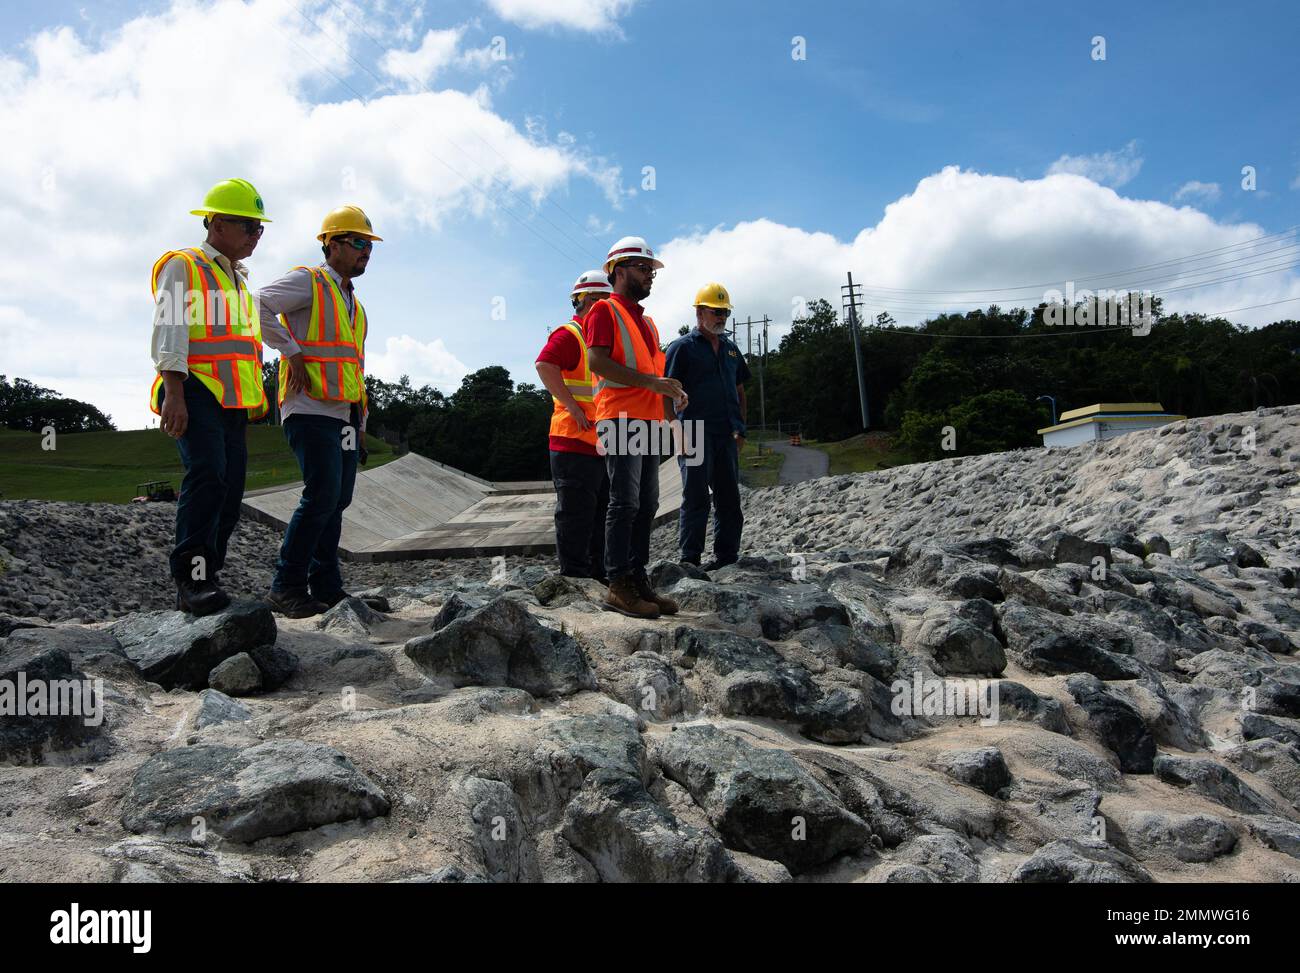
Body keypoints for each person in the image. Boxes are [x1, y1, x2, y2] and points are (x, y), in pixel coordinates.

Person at [150, 178, 271, 615]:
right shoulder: (184, 265)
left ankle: (209, 574)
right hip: (195, 389)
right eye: (248, 226)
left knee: (230, 488)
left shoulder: (237, 280)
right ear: (217, 223)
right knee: (207, 476)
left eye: (260, 229)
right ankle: (191, 580)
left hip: (232, 402)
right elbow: (170, 330)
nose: (256, 235)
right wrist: (174, 392)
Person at [257, 206, 379, 617]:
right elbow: (257, 305)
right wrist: (289, 352)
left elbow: (354, 366)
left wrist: (359, 421)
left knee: (337, 498)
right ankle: (286, 585)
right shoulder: (308, 282)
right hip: (307, 408)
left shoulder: (354, 304)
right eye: (359, 243)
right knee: (321, 494)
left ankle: (326, 586)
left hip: (342, 413)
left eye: (369, 245)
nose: (366, 252)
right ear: (332, 244)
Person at [584, 236, 687, 618]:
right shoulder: (603, 311)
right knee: (624, 502)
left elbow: (652, 373)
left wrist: (671, 393)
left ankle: (637, 578)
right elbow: (597, 362)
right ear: (619, 270)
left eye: (651, 270)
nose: (650, 276)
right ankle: (618, 584)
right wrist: (652, 385)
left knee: (646, 505)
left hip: (649, 421)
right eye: (644, 269)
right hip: (619, 417)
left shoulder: (647, 323)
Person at [664, 282, 750, 570]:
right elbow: (666, 392)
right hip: (695, 435)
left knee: (729, 499)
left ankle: (727, 558)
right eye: (716, 311)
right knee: (696, 496)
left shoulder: (731, 350)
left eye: (725, 311)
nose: (721, 317)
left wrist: (741, 428)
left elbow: (740, 391)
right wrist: (676, 428)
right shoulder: (681, 348)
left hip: (726, 434)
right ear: (700, 312)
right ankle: (690, 560)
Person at [534, 270, 613, 583]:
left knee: (601, 512)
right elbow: (544, 365)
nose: (607, 309)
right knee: (576, 513)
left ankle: (598, 574)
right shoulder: (571, 334)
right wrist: (571, 405)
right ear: (586, 301)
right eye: (602, 302)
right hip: (572, 441)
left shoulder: (600, 340)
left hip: (602, 442)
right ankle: (575, 578)